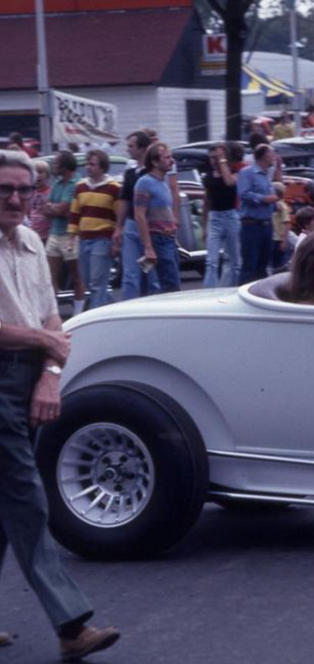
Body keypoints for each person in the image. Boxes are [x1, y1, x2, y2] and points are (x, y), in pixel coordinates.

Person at [0, 149, 120, 660]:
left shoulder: (30, 242)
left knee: (2, 505)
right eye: (4, 189)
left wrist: (49, 377)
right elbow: (45, 334)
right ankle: (71, 626)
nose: (15, 199)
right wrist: (46, 345)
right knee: (27, 498)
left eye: (24, 191)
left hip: (29, 379)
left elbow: (54, 323)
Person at [68, 150, 120, 309]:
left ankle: (97, 317)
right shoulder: (80, 187)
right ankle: (112, 309)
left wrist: (117, 241)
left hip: (103, 239)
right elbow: (75, 213)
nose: (88, 167)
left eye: (92, 164)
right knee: (88, 281)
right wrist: (71, 237)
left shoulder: (114, 188)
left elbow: (119, 216)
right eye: (87, 164)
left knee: (97, 283)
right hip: (84, 239)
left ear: (102, 167)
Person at [135, 143, 181, 293]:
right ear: (154, 162)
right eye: (167, 157)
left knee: (172, 283)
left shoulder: (164, 181)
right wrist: (148, 247)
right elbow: (139, 215)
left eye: (171, 157)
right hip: (158, 238)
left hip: (169, 238)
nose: (171, 160)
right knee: (170, 286)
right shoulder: (145, 182)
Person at [114, 130, 155, 300]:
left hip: (151, 225)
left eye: (131, 146)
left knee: (150, 272)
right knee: (130, 273)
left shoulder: (153, 172)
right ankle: (128, 308)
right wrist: (118, 227)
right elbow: (124, 200)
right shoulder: (130, 173)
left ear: (143, 148)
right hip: (132, 225)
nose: (128, 150)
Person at [43, 151, 85, 314]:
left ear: (65, 165)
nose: (53, 167)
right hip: (55, 232)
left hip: (71, 235)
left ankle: (79, 312)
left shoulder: (76, 183)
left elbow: (63, 209)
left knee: (76, 277)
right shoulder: (58, 184)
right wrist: (56, 208)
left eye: (55, 164)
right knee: (50, 276)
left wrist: (55, 208)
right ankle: (52, 312)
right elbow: (45, 209)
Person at [200, 143, 241, 288]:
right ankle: (209, 292)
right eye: (211, 158)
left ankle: (229, 289)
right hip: (214, 217)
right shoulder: (208, 177)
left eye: (216, 157)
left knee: (234, 260)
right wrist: (204, 227)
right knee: (211, 261)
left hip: (230, 216)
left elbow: (229, 182)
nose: (214, 161)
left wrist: (222, 160)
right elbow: (206, 202)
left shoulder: (234, 172)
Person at [237, 144, 279, 284]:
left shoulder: (267, 174)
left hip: (266, 225)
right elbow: (244, 194)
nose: (274, 157)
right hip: (252, 225)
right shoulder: (247, 173)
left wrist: (275, 204)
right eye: (272, 154)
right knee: (249, 266)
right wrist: (264, 199)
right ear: (264, 156)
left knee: (263, 266)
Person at [270, 182, 292, 272]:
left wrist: (284, 241)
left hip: (278, 239)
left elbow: (287, 223)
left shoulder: (282, 206)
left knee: (278, 264)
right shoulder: (273, 205)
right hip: (272, 238)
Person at [28, 159, 52, 242]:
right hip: (32, 233)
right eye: (35, 172)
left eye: (40, 172)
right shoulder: (30, 193)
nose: (38, 175)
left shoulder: (51, 192)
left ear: (47, 175)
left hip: (47, 234)